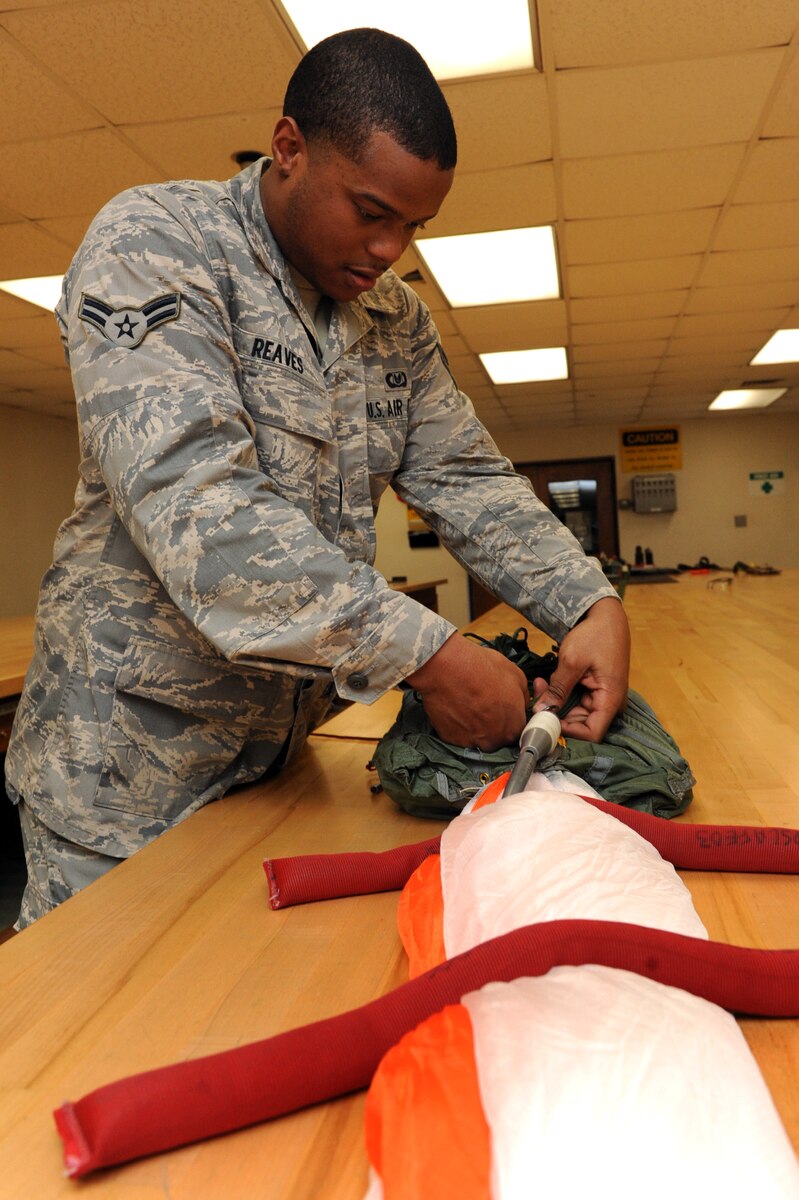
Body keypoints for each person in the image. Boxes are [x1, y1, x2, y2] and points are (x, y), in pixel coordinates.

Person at [5, 27, 629, 927]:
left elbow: (465, 476)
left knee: (251, 1023)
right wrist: (428, 657)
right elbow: (200, 512)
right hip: (124, 781)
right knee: (100, 1044)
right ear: (288, 148)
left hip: (278, 764)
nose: (389, 249)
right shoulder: (158, 242)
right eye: (370, 210)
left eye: (413, 226)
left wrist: (587, 600)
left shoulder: (393, 321)